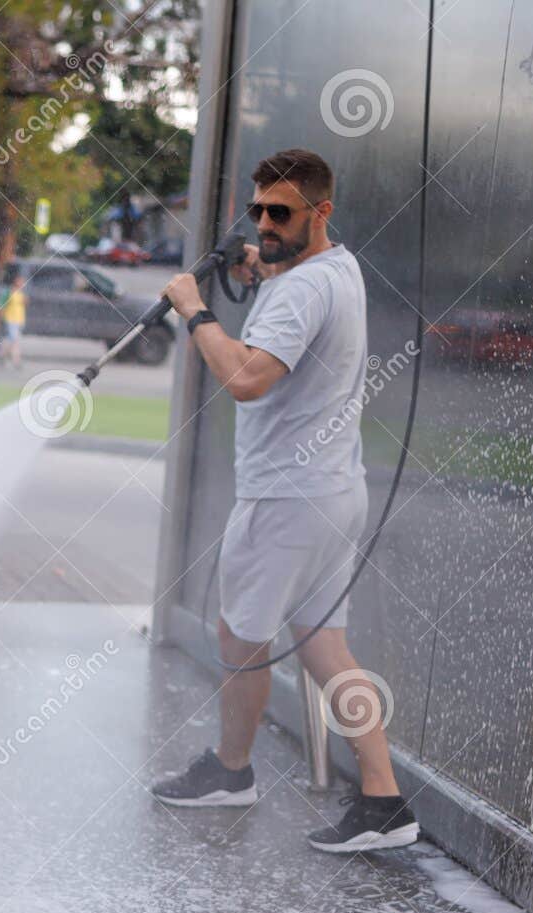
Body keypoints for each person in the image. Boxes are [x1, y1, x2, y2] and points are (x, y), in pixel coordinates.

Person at [149, 147, 418, 853]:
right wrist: (258, 259)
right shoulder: (335, 266)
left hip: (287, 500)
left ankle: (232, 772)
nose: (266, 222)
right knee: (323, 643)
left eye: (282, 214)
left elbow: (247, 379)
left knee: (241, 638)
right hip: (333, 491)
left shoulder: (299, 291)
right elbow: (292, 279)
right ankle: (386, 801)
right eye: (259, 210)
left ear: (321, 212)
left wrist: (195, 309)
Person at [0, 272, 26, 368]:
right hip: (10, 320)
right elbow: (1, 307)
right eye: (20, 281)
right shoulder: (8, 292)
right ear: (15, 281)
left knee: (10, 339)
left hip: (19, 320)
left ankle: (1, 354)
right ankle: (16, 361)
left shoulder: (21, 293)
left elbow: (22, 306)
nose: (22, 283)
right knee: (15, 340)